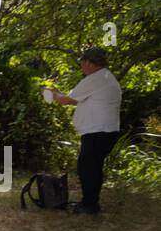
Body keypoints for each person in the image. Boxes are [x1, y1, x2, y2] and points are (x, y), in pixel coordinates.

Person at [47, 46, 122, 214]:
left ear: (89, 63)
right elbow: (75, 100)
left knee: (88, 167)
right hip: (104, 131)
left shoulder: (96, 79)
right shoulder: (104, 78)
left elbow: (66, 101)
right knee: (92, 167)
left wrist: (52, 95)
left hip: (98, 132)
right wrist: (58, 92)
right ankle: (90, 202)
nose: (81, 66)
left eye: (82, 62)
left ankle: (89, 205)